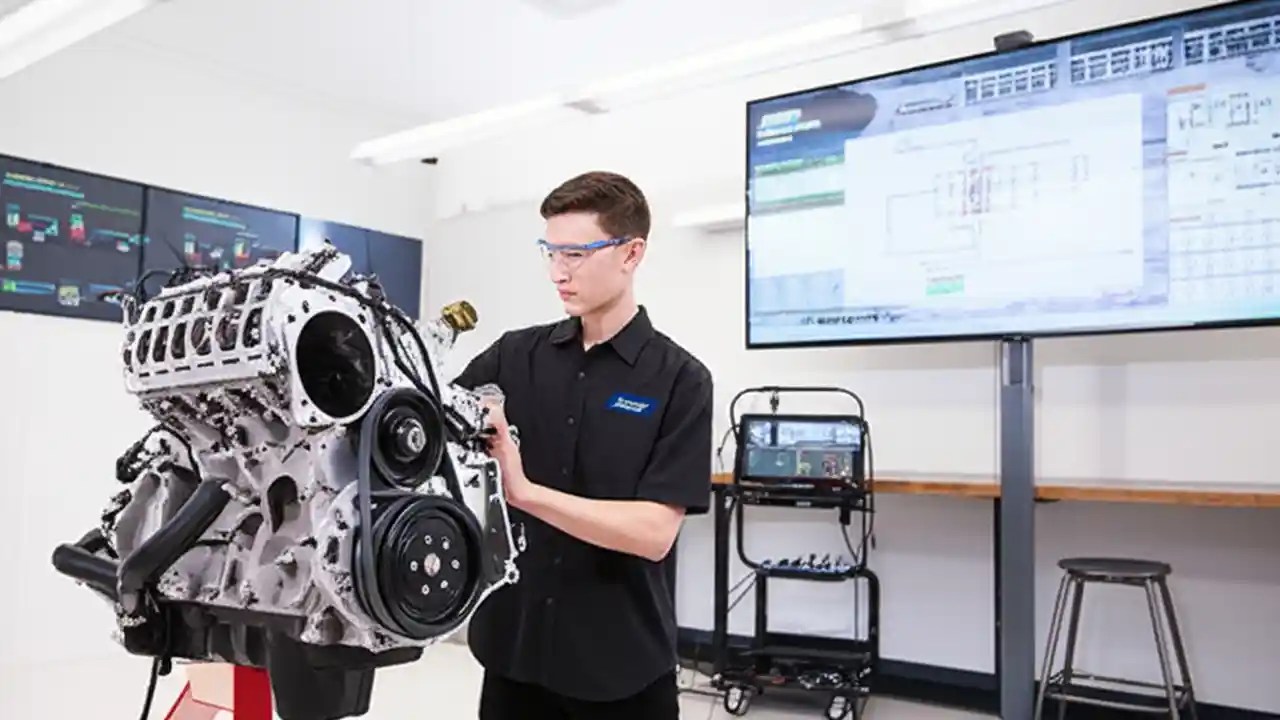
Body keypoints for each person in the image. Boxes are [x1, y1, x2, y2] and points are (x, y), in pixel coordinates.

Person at [451, 170, 714, 719]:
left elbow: (653, 534)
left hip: (620, 668)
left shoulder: (680, 380)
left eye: (576, 254)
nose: (557, 271)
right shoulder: (513, 357)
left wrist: (523, 491)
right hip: (514, 655)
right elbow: (427, 424)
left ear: (631, 253)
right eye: (550, 252)